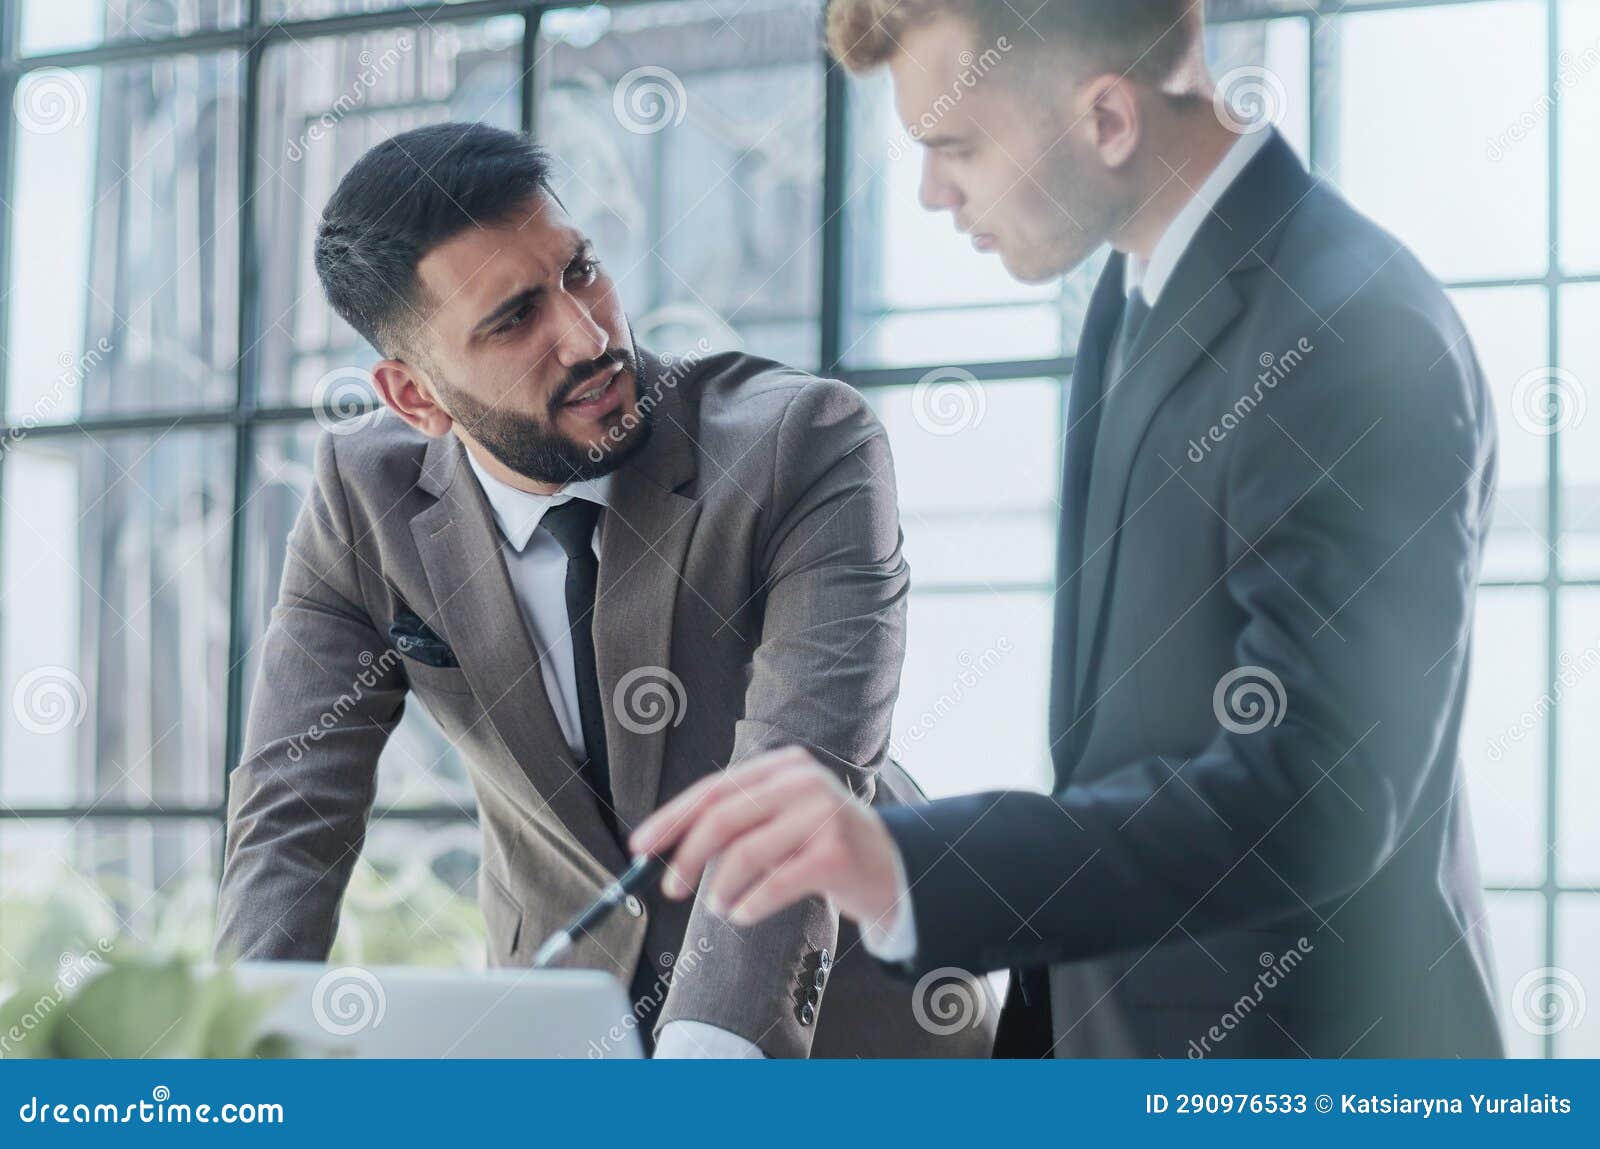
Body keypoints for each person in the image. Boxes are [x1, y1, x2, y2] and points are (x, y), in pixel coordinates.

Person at [633, 0, 1505, 1058]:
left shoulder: (1354, 332)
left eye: (956, 145)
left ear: (1106, 119)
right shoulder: (1131, 289)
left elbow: (1319, 791)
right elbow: (1120, 750)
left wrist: (906, 864)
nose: (931, 192)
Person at [214, 121, 994, 1059]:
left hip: (848, 1040)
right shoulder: (362, 501)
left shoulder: (803, 444)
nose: (587, 338)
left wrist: (706, 1061)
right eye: (513, 319)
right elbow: (294, 799)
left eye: (579, 271)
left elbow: (800, 769)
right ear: (414, 397)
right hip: (559, 1037)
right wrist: (240, 1058)